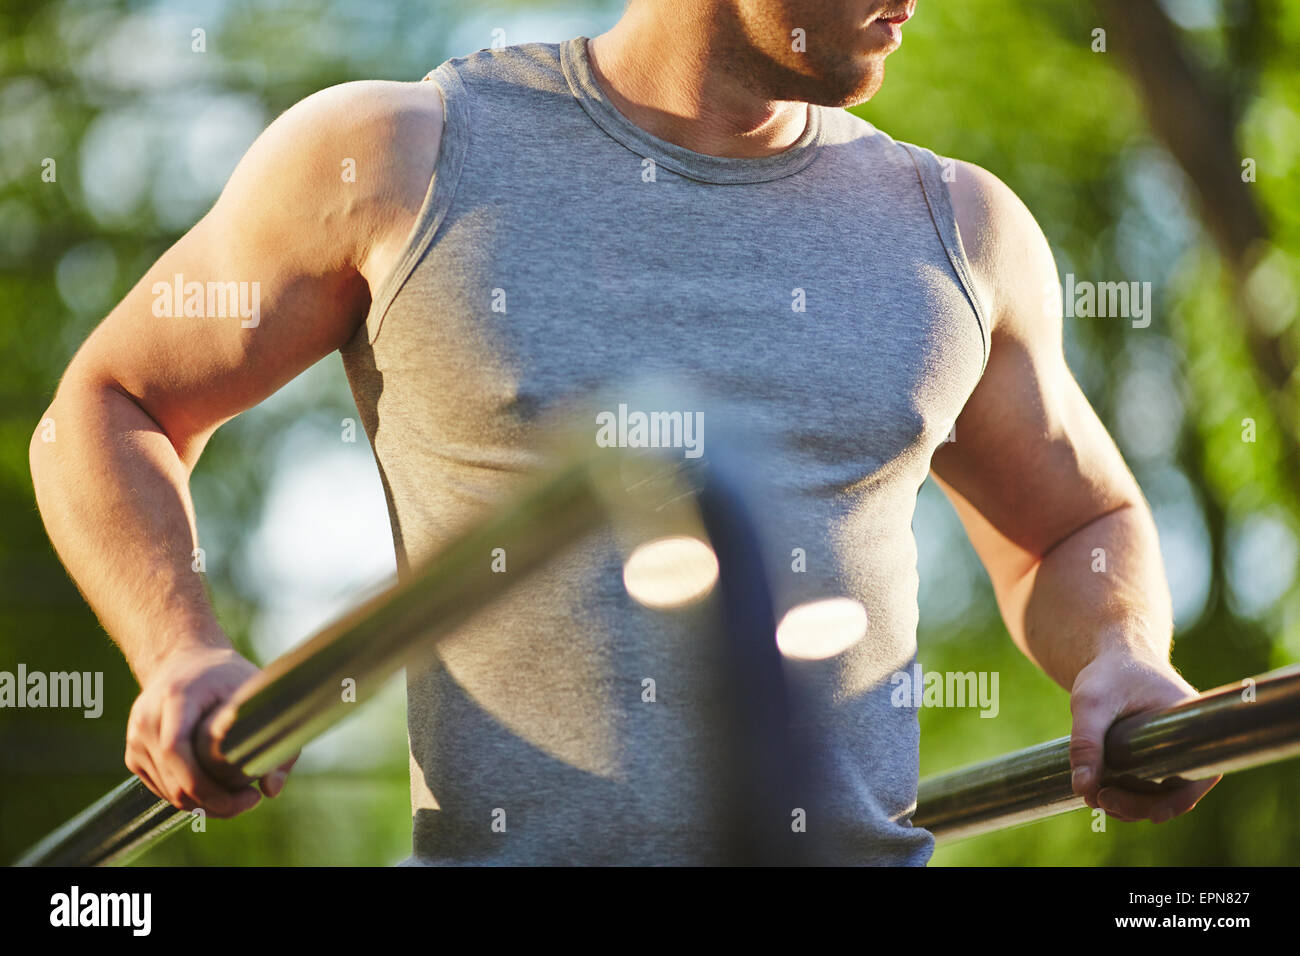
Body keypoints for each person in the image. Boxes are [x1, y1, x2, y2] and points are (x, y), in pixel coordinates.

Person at [29, 0, 1216, 864]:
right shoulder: (401, 153)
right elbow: (109, 403)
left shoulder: (960, 230)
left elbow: (1080, 524)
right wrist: (178, 645)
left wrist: (1117, 647)